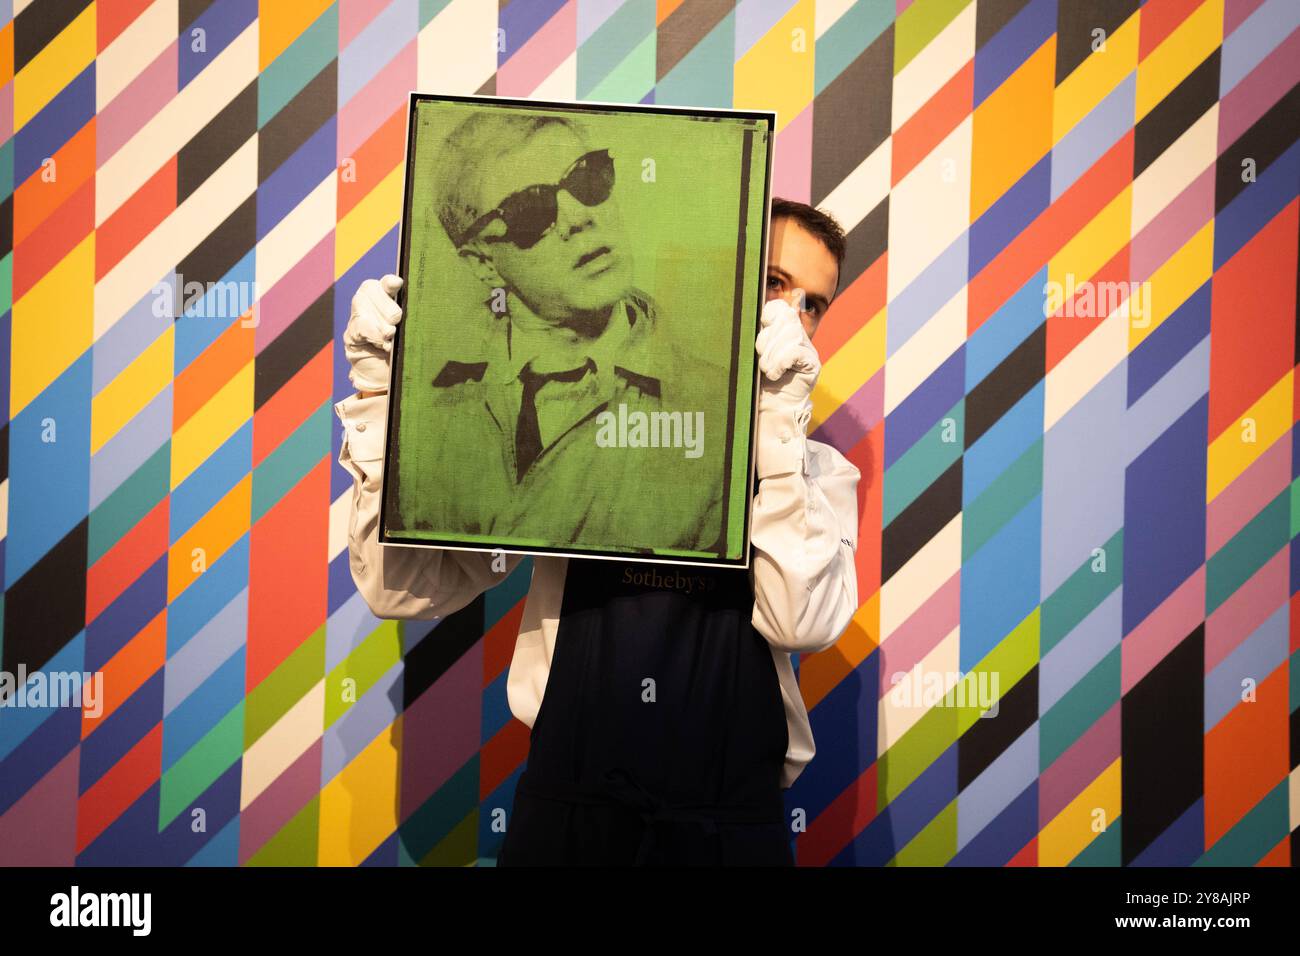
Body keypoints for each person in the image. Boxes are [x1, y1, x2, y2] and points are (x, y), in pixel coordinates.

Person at [336, 197, 860, 865]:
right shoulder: (572, 424)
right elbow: (401, 589)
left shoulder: (816, 478)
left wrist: (778, 427)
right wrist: (385, 396)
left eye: (813, 303)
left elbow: (801, 625)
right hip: (571, 820)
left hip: (731, 830)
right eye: (773, 284)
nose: (790, 316)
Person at [384, 110, 728, 554]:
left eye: (589, 180)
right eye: (531, 209)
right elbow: (399, 585)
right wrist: (376, 394)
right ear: (483, 262)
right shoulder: (424, 413)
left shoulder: (717, 413)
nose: (579, 218)